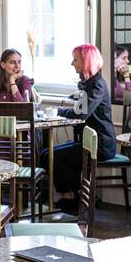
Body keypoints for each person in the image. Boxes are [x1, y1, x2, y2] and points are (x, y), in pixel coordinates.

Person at [46, 43, 116, 210]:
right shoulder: (89, 84)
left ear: (86, 61)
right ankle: (73, 195)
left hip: (100, 145)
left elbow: (82, 114)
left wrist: (58, 111)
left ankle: (74, 197)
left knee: (52, 156)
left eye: (75, 59)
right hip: (88, 142)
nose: (72, 63)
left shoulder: (97, 85)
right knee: (46, 154)